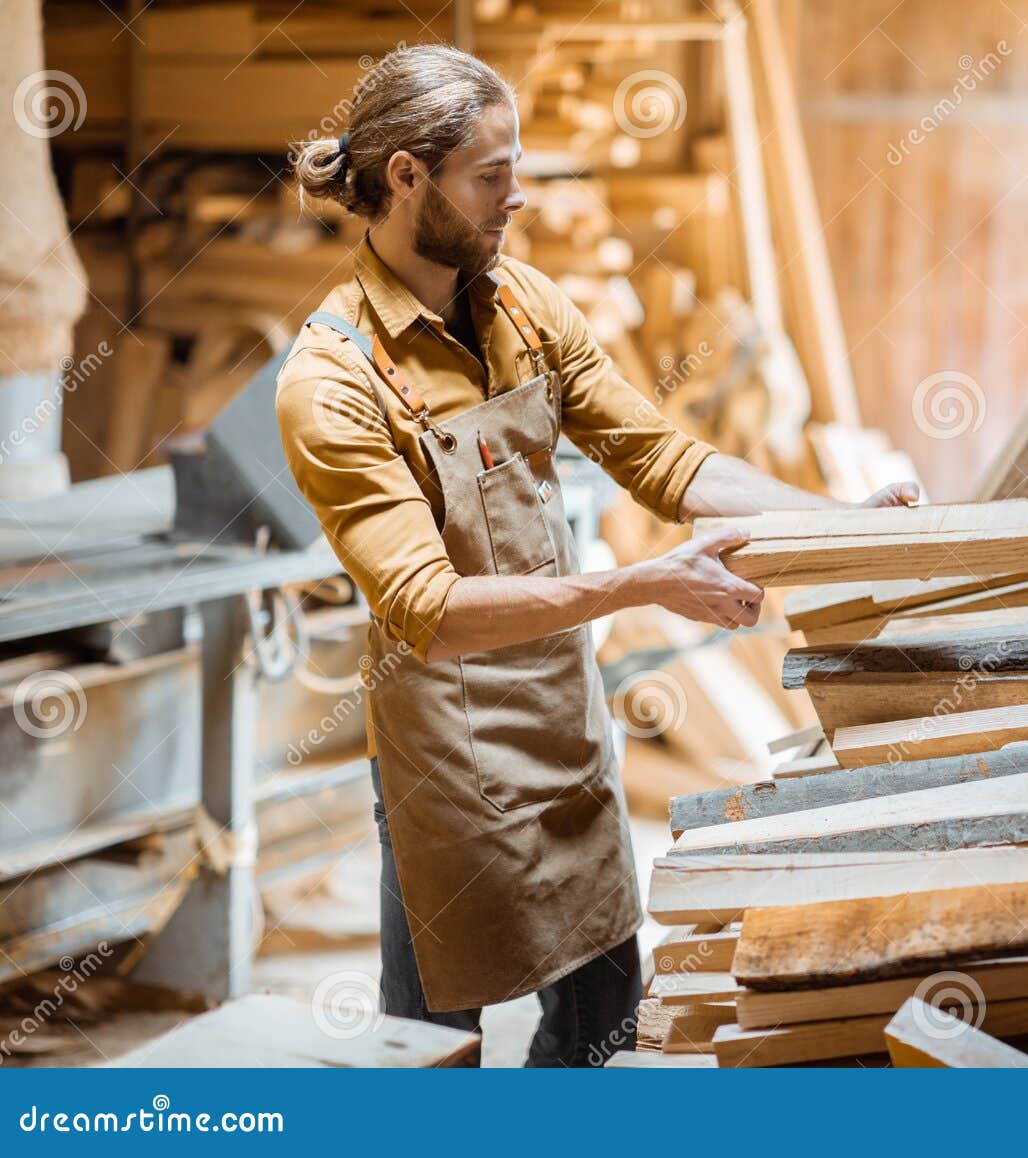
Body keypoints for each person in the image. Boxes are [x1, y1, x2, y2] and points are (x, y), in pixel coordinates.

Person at [274, 44, 916, 1067]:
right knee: (432, 1047)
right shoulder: (334, 379)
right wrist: (643, 582)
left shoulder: (522, 304)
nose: (517, 197)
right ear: (406, 177)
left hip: (562, 730)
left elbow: (657, 456)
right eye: (492, 176)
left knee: (603, 1023)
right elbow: (427, 612)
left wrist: (836, 523)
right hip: (447, 754)